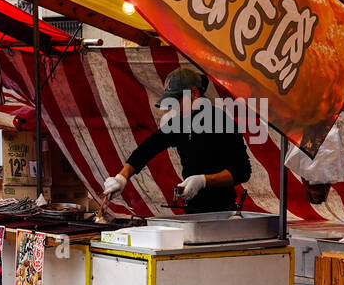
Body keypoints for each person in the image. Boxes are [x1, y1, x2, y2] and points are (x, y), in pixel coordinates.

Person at [103, 67, 252, 214]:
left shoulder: (220, 121)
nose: (172, 108)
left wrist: (204, 180)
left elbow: (242, 171)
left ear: (194, 93)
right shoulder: (178, 123)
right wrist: (121, 177)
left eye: (176, 101)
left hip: (222, 211)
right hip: (192, 209)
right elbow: (148, 148)